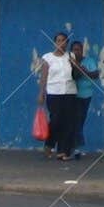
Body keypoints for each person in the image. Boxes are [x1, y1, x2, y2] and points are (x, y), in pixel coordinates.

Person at [38, 31, 78, 160]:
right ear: (55, 42)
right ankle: (49, 144)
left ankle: (63, 151)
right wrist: (41, 93)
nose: (61, 43)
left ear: (67, 43)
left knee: (68, 122)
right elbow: (44, 77)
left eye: (64, 41)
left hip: (69, 92)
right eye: (59, 40)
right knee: (55, 120)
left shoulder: (70, 56)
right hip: (54, 92)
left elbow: (76, 73)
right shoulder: (48, 57)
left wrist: (74, 63)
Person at [69, 40, 100, 157]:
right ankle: (74, 146)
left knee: (79, 120)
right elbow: (74, 76)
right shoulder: (69, 62)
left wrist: (85, 71)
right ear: (71, 51)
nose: (77, 52)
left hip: (85, 95)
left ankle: (76, 146)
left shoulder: (89, 61)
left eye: (79, 50)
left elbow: (95, 74)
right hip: (71, 95)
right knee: (72, 121)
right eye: (75, 50)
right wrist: (75, 67)